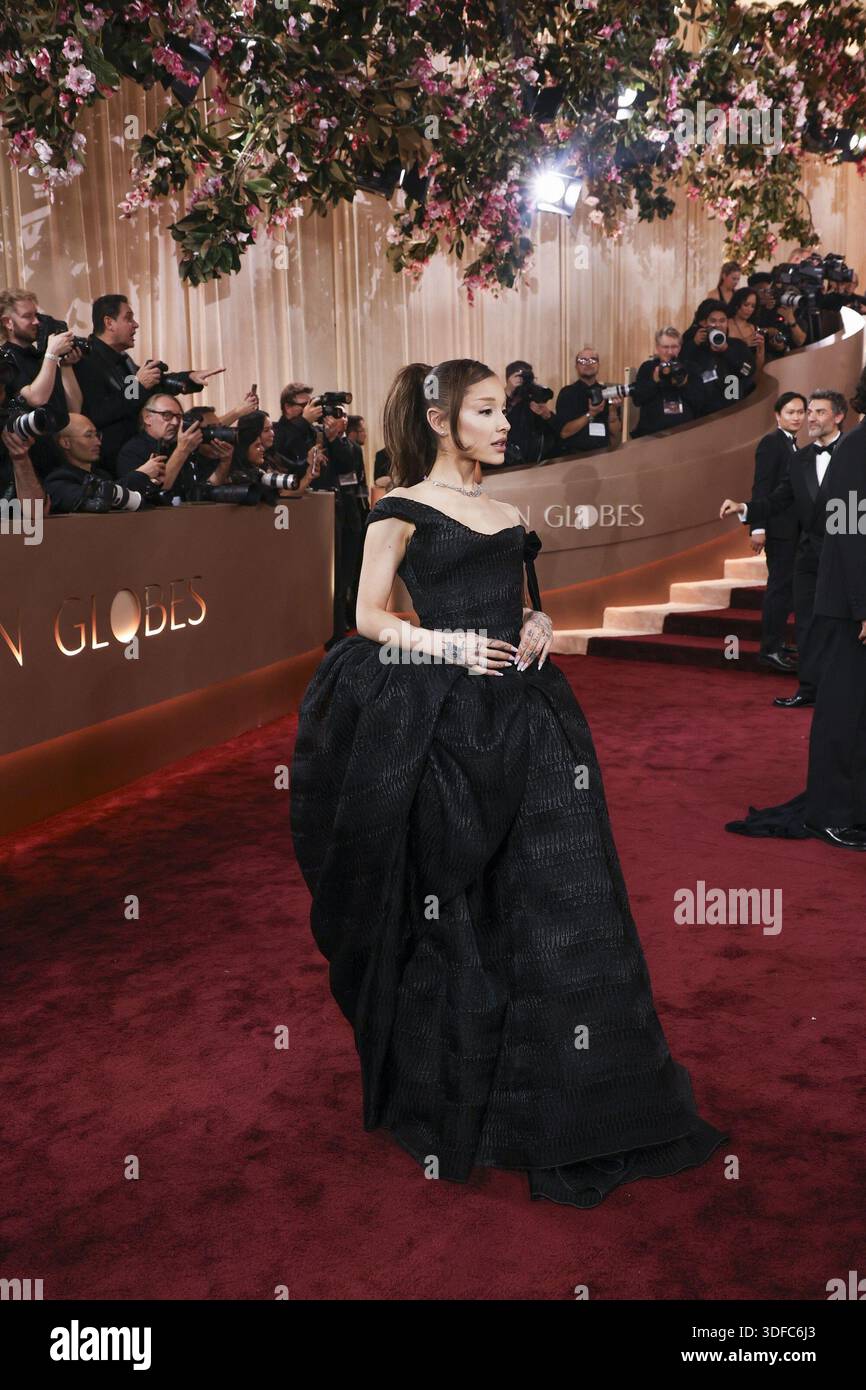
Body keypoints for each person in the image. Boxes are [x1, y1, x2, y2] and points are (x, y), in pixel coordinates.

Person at [290, 357, 729, 1210]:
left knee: (563, 894)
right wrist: (447, 645)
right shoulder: (398, 509)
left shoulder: (508, 509)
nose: (505, 423)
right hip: (448, 726)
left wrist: (539, 621)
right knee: (463, 906)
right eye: (487, 411)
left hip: (531, 718)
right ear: (443, 418)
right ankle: (473, 1092)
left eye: (505, 410)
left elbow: (524, 600)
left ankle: (582, 1088)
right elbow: (368, 618)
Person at [724, 405, 866, 850]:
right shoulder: (858, 449)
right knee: (843, 712)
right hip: (849, 606)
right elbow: (848, 530)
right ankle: (830, 814)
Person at [719, 389, 848, 708]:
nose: (811, 418)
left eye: (819, 412)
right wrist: (746, 509)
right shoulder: (800, 458)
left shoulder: (855, 452)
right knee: (806, 623)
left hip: (844, 554)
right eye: (811, 412)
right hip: (807, 555)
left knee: (842, 624)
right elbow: (778, 499)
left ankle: (843, 693)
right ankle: (808, 688)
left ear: (839, 417)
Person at [72, 293, 224, 474]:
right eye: (128, 318)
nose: (135, 324)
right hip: (107, 464)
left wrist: (189, 378)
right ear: (109, 323)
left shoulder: (123, 359)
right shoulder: (85, 359)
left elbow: (149, 387)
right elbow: (97, 413)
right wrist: (138, 385)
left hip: (136, 456)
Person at [746, 392, 806, 673]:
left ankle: (778, 643)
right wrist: (757, 527)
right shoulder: (772, 443)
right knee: (778, 590)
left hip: (793, 530)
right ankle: (769, 649)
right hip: (778, 530)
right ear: (777, 415)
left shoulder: (793, 444)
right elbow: (761, 486)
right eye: (791, 412)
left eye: (800, 412)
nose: (797, 417)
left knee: (787, 590)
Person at [0, 288, 84, 478]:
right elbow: (36, 398)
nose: (36, 322)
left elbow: (74, 408)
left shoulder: (41, 358)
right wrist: (52, 354)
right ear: (8, 323)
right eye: (27, 316)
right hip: (27, 459)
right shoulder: (6, 359)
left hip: (55, 455)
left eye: (36, 315)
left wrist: (66, 365)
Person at [44, 413, 163, 512]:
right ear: (66, 443)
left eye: (97, 435)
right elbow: (95, 498)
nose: (98, 442)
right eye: (89, 435)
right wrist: (141, 474)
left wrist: (151, 484)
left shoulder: (103, 475)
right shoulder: (58, 481)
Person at [115, 394, 204, 505]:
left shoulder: (179, 445)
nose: (175, 422)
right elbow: (156, 495)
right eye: (167, 415)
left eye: (179, 417)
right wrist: (182, 451)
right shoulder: (132, 451)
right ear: (147, 418)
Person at [679, 300, 756, 414]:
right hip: (703, 415)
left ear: (727, 322)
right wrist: (693, 344)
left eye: (722, 321)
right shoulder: (696, 347)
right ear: (705, 323)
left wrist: (727, 351)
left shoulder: (738, 345)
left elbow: (747, 371)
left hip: (734, 410)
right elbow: (681, 369)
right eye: (713, 321)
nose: (718, 325)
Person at [631, 328, 704, 436]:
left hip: (685, 432)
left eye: (674, 347)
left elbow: (700, 402)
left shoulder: (690, 368)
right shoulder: (648, 367)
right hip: (652, 433)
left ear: (680, 347)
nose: (670, 352)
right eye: (665, 347)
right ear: (657, 348)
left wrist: (684, 384)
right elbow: (637, 399)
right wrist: (654, 381)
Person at [553, 348, 622, 453]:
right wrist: (591, 414)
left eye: (593, 360)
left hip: (603, 452)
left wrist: (613, 410)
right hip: (574, 455)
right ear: (576, 366)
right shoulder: (567, 393)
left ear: (598, 365)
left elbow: (616, 433)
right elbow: (564, 432)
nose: (588, 364)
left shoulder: (607, 392)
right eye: (583, 360)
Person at [502, 360, 559, 463]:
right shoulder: (497, 400)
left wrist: (546, 415)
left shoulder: (532, 401)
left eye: (525, 377)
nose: (521, 380)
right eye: (518, 376)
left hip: (530, 463)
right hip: (504, 462)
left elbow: (556, 430)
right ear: (508, 378)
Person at [725, 288, 765, 376]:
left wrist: (761, 351)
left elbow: (758, 363)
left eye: (753, 306)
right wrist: (743, 343)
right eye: (746, 305)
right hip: (726, 376)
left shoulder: (754, 328)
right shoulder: (725, 324)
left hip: (746, 378)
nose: (749, 309)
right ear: (737, 304)